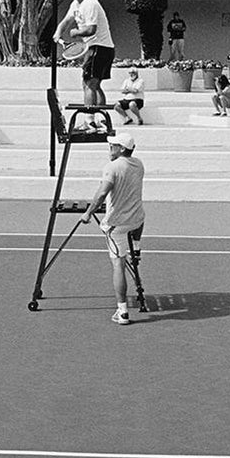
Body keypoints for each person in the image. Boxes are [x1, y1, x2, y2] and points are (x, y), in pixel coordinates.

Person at [81, 132, 145, 326]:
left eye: (113, 146)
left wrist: (88, 213)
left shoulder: (112, 167)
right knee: (140, 218)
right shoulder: (139, 164)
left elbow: (103, 193)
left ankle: (122, 310)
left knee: (119, 265)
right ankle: (136, 246)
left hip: (117, 225)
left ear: (122, 149)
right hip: (136, 220)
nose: (110, 148)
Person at [53, 0, 115, 108]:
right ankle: (101, 117)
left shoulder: (91, 3)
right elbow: (66, 21)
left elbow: (91, 29)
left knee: (89, 84)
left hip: (99, 47)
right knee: (94, 85)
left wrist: (76, 32)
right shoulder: (75, 4)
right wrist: (58, 32)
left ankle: (90, 118)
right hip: (97, 47)